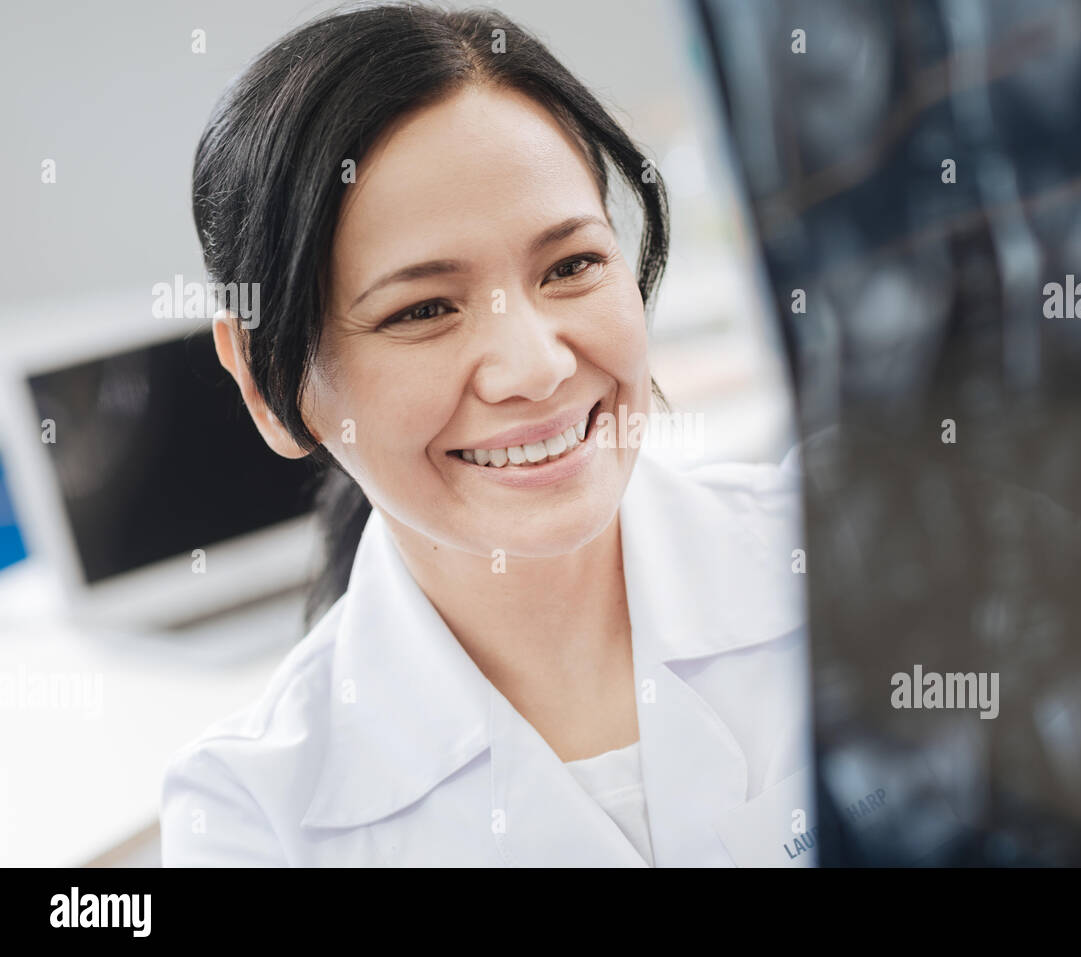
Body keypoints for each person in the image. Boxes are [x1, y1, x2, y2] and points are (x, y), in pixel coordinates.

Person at [159, 2, 811, 867]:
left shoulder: (848, 550)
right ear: (270, 384)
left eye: (571, 265)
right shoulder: (253, 821)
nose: (535, 367)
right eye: (423, 309)